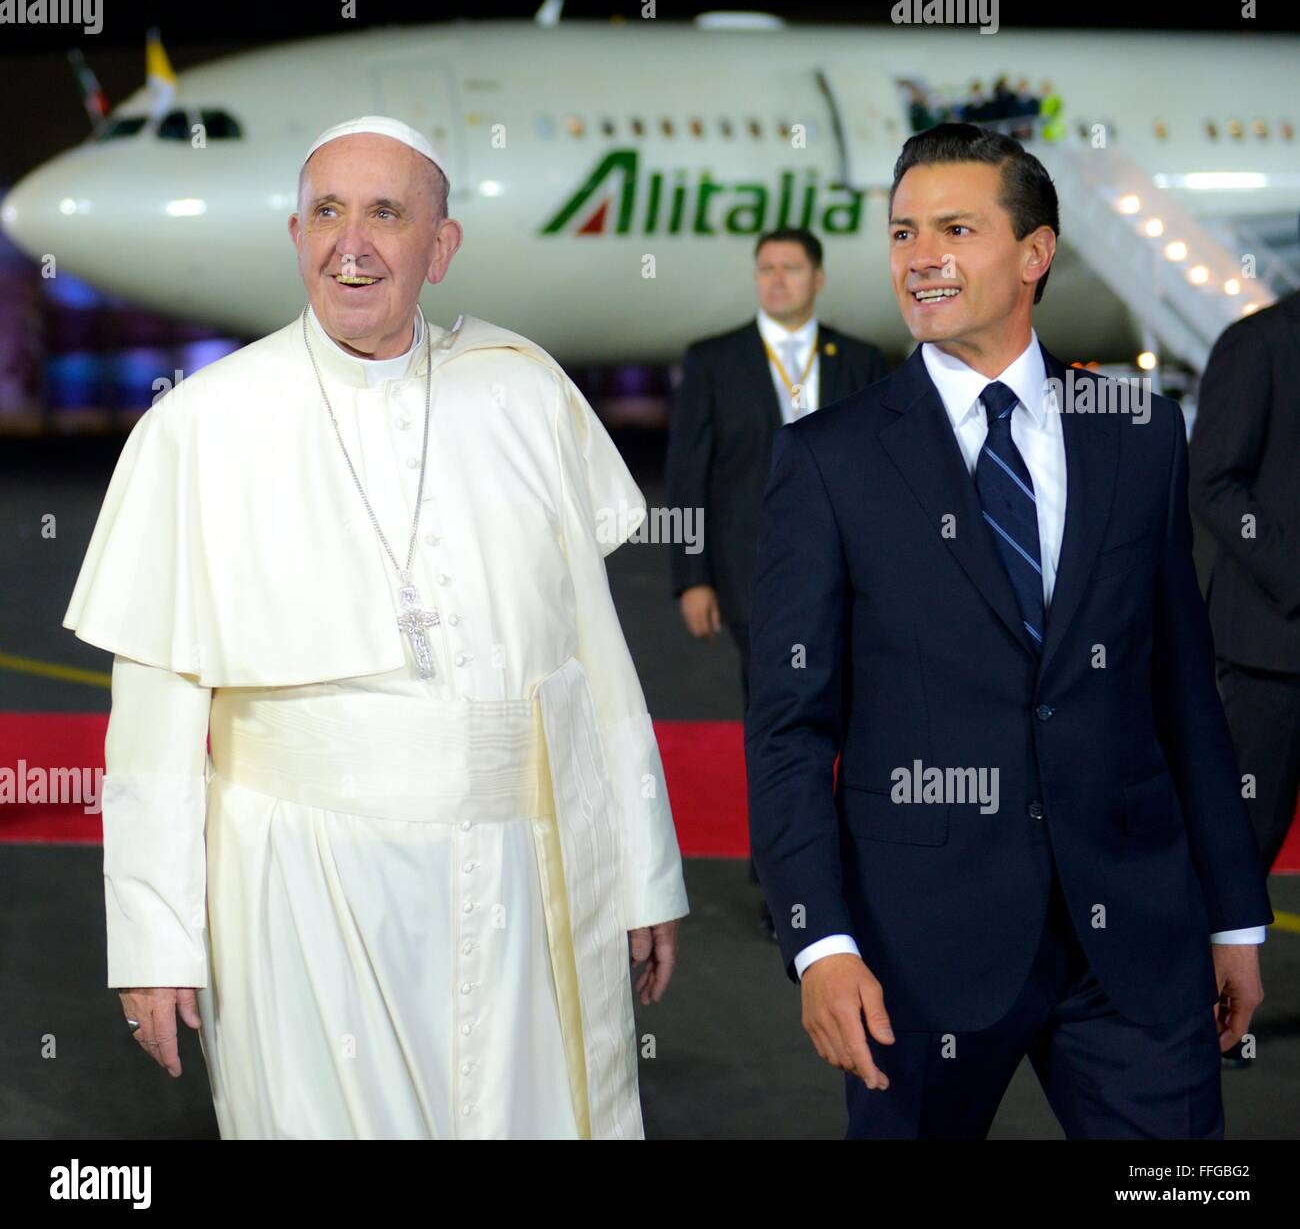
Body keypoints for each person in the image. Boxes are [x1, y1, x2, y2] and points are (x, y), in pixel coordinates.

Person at [64, 115, 689, 1140]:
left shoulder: (525, 393)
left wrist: (643, 869)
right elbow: (154, 730)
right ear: (296, 232)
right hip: (300, 886)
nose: (349, 246)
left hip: (520, 871)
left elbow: (595, 668)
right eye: (326, 214)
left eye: (385, 215)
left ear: (439, 248)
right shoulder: (202, 425)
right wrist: (153, 942)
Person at [745, 123, 1273, 1139]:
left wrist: (1232, 914)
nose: (918, 258)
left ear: (1033, 254)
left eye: (954, 227)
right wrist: (820, 942)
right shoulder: (829, 462)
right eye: (901, 233)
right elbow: (787, 728)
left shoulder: (1139, 431)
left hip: (1134, 945)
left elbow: (1181, 695)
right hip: (912, 954)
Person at [666, 228, 886, 934]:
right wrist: (691, 579)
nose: (777, 280)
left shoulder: (859, 360)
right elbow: (687, 478)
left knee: (862, 719)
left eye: (791, 268)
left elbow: (887, 471)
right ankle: (788, 878)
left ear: (818, 278)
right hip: (752, 579)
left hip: (850, 576)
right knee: (782, 725)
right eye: (766, 269)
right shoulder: (714, 360)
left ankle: (861, 862)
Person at [1189, 276, 1300, 880]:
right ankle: (1202, 979)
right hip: (1272, 653)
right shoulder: (1258, 344)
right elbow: (1211, 481)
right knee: (1239, 856)